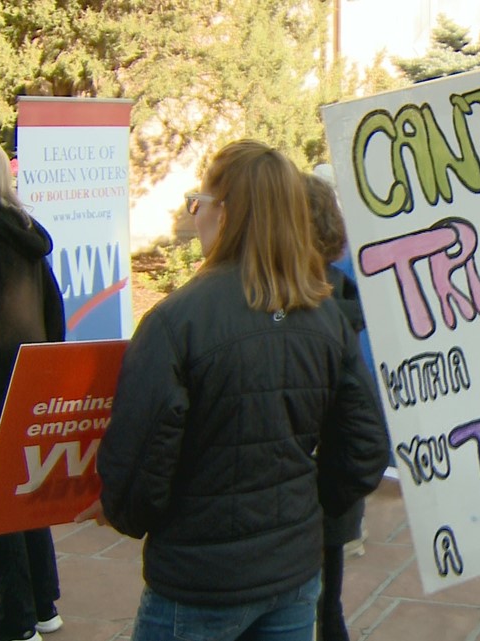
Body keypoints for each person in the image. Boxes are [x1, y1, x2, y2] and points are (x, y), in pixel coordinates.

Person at [95, 140, 391, 641]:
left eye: (199, 203)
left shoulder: (176, 322)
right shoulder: (323, 315)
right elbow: (365, 450)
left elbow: (140, 464)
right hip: (292, 573)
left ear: (227, 214)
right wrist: (304, 509)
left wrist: (121, 509)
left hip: (199, 582)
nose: (195, 215)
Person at [0, 133, 64, 641]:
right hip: (26, 378)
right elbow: (54, 310)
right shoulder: (26, 234)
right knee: (24, 494)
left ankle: (16, 618)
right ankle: (43, 605)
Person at [304, 172, 369, 641]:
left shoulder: (306, 310)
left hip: (310, 492)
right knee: (329, 607)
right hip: (332, 494)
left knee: (315, 607)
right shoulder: (341, 292)